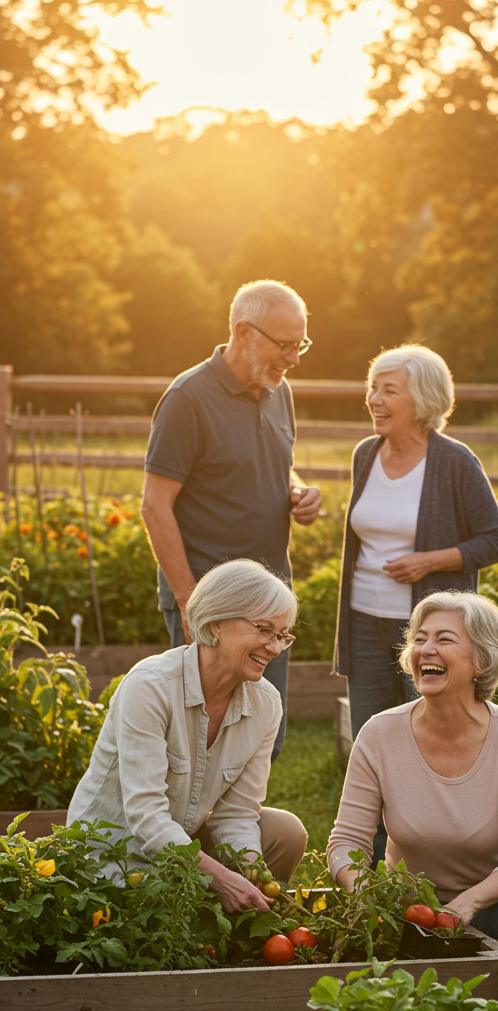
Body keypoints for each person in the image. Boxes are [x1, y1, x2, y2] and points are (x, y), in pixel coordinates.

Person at [334, 344, 498, 858]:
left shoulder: (455, 461)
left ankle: (427, 861)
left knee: (426, 741)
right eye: (372, 388)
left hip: (429, 635)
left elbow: (496, 540)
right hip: (363, 620)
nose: (374, 399)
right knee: (371, 742)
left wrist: (428, 562)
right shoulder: (366, 454)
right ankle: (365, 867)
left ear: (424, 400)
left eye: (389, 390)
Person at [141, 279, 322, 760]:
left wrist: (297, 491)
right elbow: (154, 505)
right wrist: (189, 601)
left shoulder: (278, 389)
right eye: (285, 345)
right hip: (212, 603)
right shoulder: (188, 399)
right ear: (244, 333)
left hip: (270, 599)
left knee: (263, 737)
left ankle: (244, 813)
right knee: (200, 739)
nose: (294, 358)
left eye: (300, 344)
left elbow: (273, 463)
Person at [68, 560, 308, 915]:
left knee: (284, 831)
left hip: (180, 845)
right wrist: (221, 879)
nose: (274, 648)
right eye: (264, 630)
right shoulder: (150, 687)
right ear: (216, 624)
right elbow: (146, 816)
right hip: (112, 856)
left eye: (281, 636)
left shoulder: (266, 703)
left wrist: (252, 873)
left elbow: (238, 812)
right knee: (150, 921)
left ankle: (238, 921)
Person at [327, 591, 498, 951]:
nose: (426, 649)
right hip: (406, 910)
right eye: (420, 639)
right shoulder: (380, 733)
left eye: (444, 639)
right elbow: (346, 842)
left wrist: (467, 903)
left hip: (489, 905)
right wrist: (369, 894)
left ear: (482, 660)